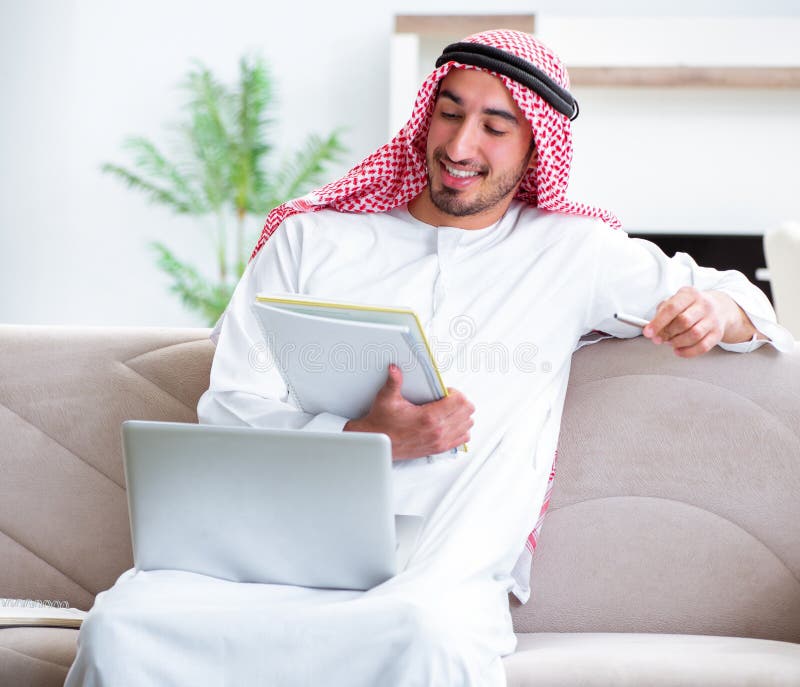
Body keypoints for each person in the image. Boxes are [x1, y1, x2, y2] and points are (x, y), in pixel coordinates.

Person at [66, 30, 793, 687]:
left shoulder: (572, 254)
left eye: (495, 124)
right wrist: (362, 440)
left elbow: (739, 298)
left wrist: (718, 311)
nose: (460, 143)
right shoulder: (312, 240)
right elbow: (227, 405)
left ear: (536, 146)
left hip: (436, 574)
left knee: (424, 636)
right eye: (449, 111)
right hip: (257, 557)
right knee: (123, 630)